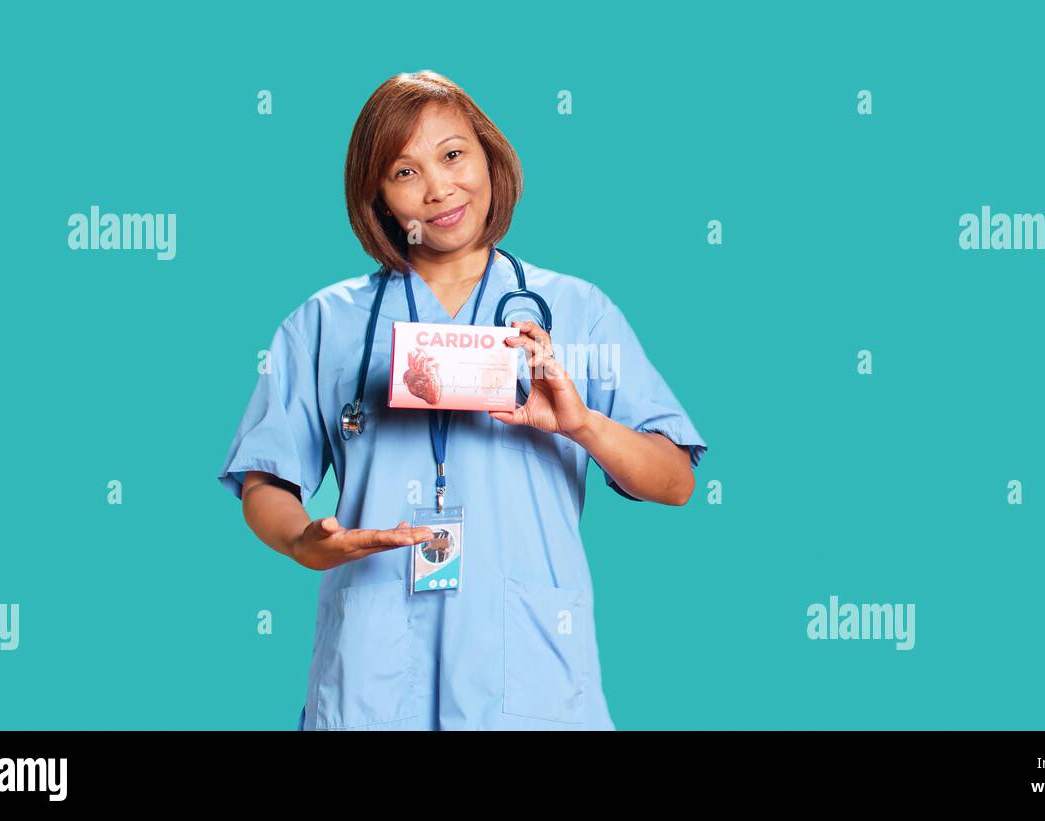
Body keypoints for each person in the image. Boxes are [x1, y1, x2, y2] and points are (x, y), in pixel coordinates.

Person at [217, 70, 707, 730]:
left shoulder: (576, 311)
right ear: (380, 199)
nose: (439, 188)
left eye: (452, 155)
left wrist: (584, 425)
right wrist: (305, 539)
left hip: (529, 679)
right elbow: (264, 481)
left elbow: (675, 479)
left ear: (488, 154)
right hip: (371, 676)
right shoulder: (323, 324)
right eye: (404, 171)